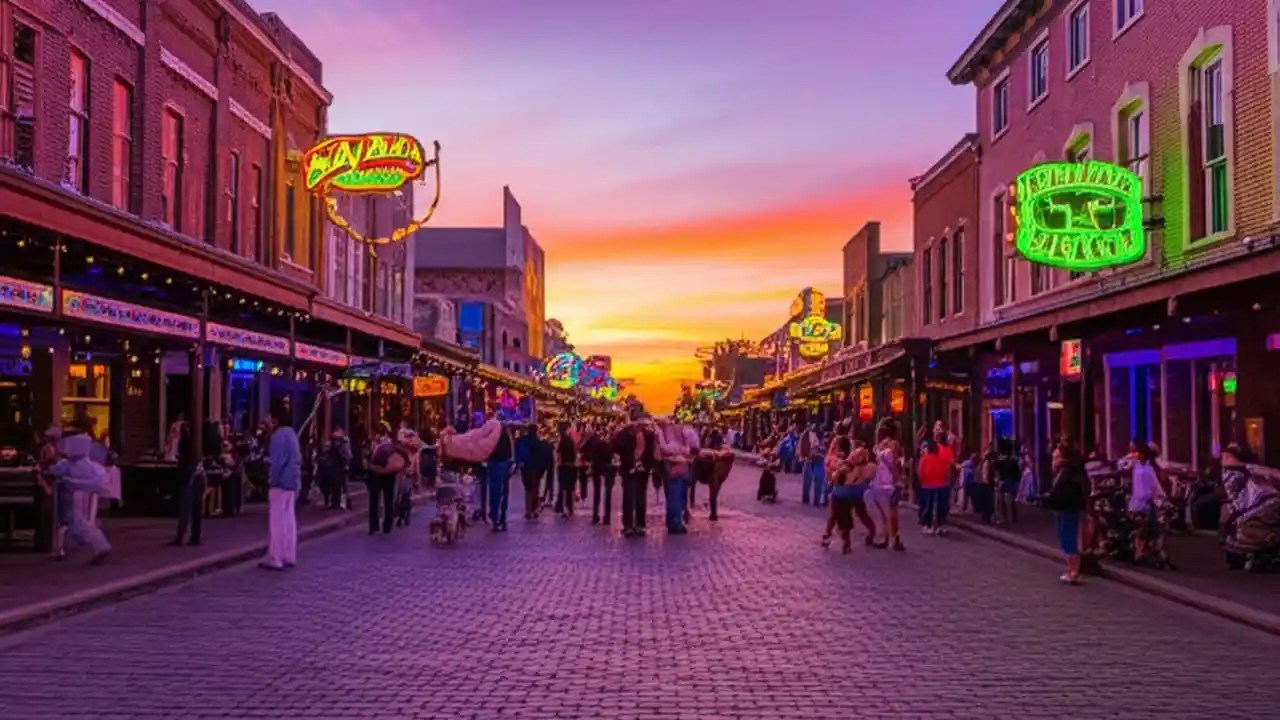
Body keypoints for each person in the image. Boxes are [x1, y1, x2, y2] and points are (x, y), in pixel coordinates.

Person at [47, 425, 112, 564]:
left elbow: (56, 472)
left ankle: (100, 548)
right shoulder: (82, 463)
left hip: (81, 494)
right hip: (86, 494)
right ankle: (99, 547)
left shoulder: (74, 464)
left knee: (83, 522)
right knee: (82, 522)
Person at [260, 410, 300, 570]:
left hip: (280, 482)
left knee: (276, 521)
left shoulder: (278, 437)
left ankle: (275, 557)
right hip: (292, 481)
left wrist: (271, 478)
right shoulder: (292, 435)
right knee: (288, 520)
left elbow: (277, 463)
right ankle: (288, 554)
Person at [1044, 443, 1088, 584]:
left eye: (1056, 457)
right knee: (1065, 537)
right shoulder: (1065, 472)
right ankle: (1071, 570)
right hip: (1064, 508)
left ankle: (1073, 571)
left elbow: (1066, 492)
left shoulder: (1067, 472)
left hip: (1067, 508)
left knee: (1068, 537)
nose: (1053, 461)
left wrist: (1052, 499)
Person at [866, 419, 905, 551]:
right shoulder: (894, 444)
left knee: (884, 512)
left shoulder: (878, 445)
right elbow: (893, 464)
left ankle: (887, 537)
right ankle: (894, 539)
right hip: (889, 480)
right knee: (893, 511)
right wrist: (898, 479)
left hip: (879, 480)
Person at [613, 416, 649, 537]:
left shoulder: (622, 434)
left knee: (630, 497)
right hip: (639, 469)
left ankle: (629, 525)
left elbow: (615, 451)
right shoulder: (646, 433)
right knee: (639, 496)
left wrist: (620, 466)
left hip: (630, 469)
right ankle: (639, 525)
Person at [657, 418, 693, 535]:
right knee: (676, 497)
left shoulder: (664, 434)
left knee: (674, 496)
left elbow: (664, 449)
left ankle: (674, 521)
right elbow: (688, 449)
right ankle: (675, 523)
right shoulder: (682, 433)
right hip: (678, 469)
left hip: (673, 470)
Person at [366, 426, 401, 535]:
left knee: (374, 500)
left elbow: (368, 458)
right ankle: (387, 525)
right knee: (388, 500)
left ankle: (373, 526)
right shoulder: (392, 445)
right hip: (389, 474)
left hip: (376, 473)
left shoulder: (374, 444)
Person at [484, 419, 515, 532]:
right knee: (503, 492)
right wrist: (511, 463)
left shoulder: (492, 436)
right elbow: (510, 451)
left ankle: (495, 518)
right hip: (503, 464)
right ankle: (501, 518)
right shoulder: (505, 434)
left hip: (494, 464)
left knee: (495, 492)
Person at [918, 437, 950, 535]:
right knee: (940, 506)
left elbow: (920, 473)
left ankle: (927, 525)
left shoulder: (924, 459)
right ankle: (939, 525)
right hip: (940, 485)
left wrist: (923, 481)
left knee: (929, 506)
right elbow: (946, 473)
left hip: (928, 485)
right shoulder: (941, 460)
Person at [520, 426, 551, 520]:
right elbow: (543, 457)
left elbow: (521, 455)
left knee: (528, 489)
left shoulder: (524, 441)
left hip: (526, 468)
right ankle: (534, 510)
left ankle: (528, 509)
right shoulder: (539, 443)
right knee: (535, 489)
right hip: (536, 469)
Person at [318, 428, 352, 510]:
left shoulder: (343, 444)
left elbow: (348, 456)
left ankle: (338, 502)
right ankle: (334, 502)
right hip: (332, 468)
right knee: (335, 485)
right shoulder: (332, 444)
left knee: (340, 485)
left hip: (337, 468)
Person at [555, 423, 578, 518]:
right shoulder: (570, 441)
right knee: (570, 488)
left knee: (564, 488)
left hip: (564, 466)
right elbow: (574, 454)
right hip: (571, 466)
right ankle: (569, 508)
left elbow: (559, 453)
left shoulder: (563, 441)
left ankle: (564, 508)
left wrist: (559, 463)